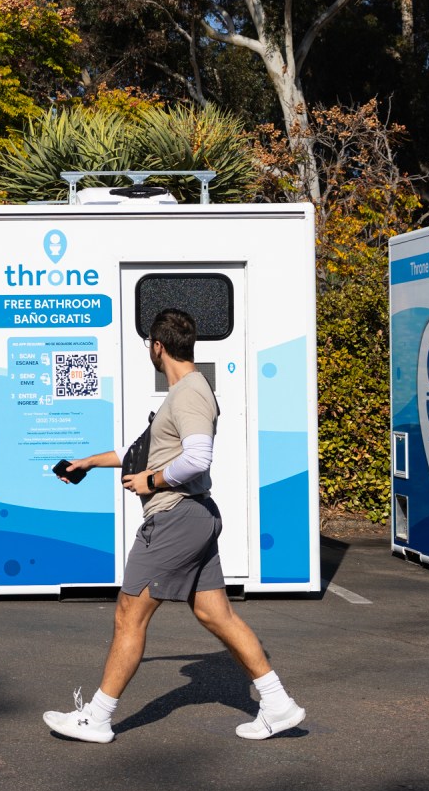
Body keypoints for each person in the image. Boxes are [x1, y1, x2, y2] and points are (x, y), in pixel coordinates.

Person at [42, 308, 306, 744]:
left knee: (129, 616)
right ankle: (278, 704)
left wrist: (151, 481)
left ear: (157, 346)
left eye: (150, 344)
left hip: (174, 518)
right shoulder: (185, 392)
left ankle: (97, 717)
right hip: (193, 516)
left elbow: (197, 457)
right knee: (213, 613)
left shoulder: (189, 394)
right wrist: (88, 462)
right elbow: (148, 452)